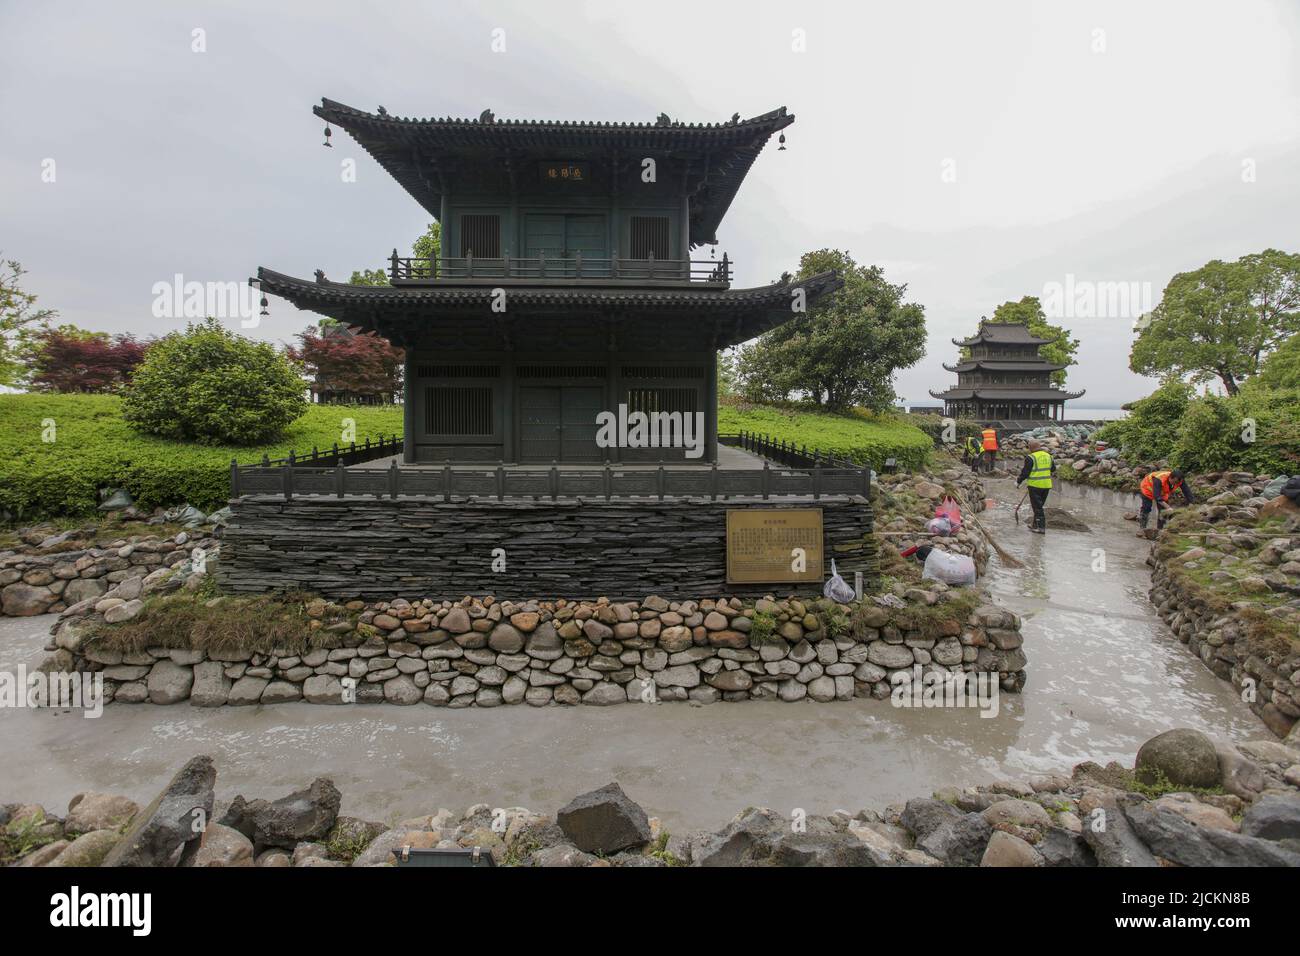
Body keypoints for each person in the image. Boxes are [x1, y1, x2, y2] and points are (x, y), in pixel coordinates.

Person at [1138, 468, 1195, 534]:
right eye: (1175, 482)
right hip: (1147, 488)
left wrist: (1191, 503)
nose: (1176, 484)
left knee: (1163, 511)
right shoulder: (1159, 479)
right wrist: (1168, 507)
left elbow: (1186, 491)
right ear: (1170, 478)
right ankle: (1142, 528)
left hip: (1162, 492)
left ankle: (1160, 530)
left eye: (1178, 483)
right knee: (1146, 507)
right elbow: (1157, 497)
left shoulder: (1179, 480)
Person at [1016, 439, 1055, 533]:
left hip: (1035, 486)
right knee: (1039, 506)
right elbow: (1053, 469)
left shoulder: (1031, 457)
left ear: (1030, 448)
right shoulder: (1049, 456)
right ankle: (1035, 525)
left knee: (1037, 507)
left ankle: (1041, 528)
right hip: (1046, 485)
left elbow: (1025, 472)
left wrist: (1018, 482)